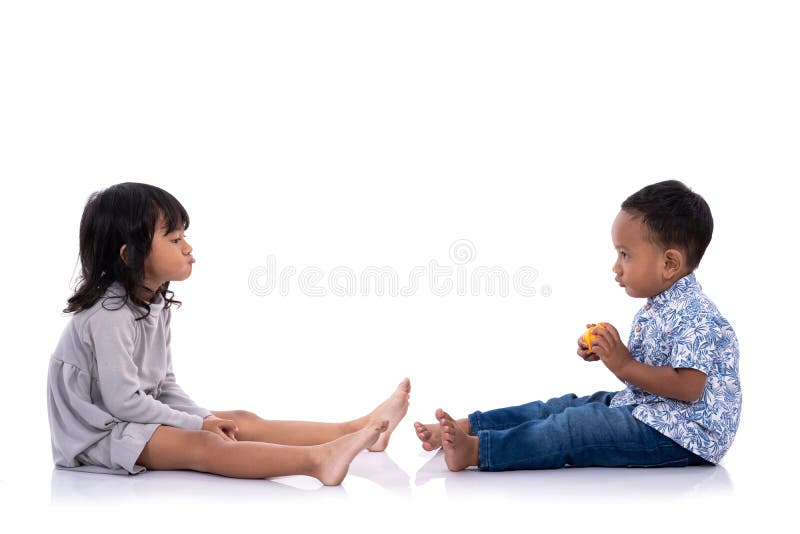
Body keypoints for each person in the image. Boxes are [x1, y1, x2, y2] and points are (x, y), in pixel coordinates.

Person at [47, 182, 410, 485]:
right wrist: (198, 424)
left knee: (241, 420)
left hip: (126, 414)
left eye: (184, 236)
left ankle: (358, 430)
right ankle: (318, 461)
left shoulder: (152, 302)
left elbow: (164, 383)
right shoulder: (108, 316)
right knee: (204, 446)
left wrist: (204, 417)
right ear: (130, 256)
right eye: (174, 240)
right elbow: (122, 402)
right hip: (98, 433)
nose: (188, 247)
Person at [415, 180, 741, 471]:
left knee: (574, 427)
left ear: (669, 263)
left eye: (626, 255)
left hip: (683, 435)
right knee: (562, 407)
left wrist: (623, 363)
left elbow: (688, 387)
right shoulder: (660, 306)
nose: (616, 267)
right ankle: (470, 426)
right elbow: (649, 370)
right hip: (652, 411)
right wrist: (605, 351)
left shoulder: (695, 314)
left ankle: (477, 450)